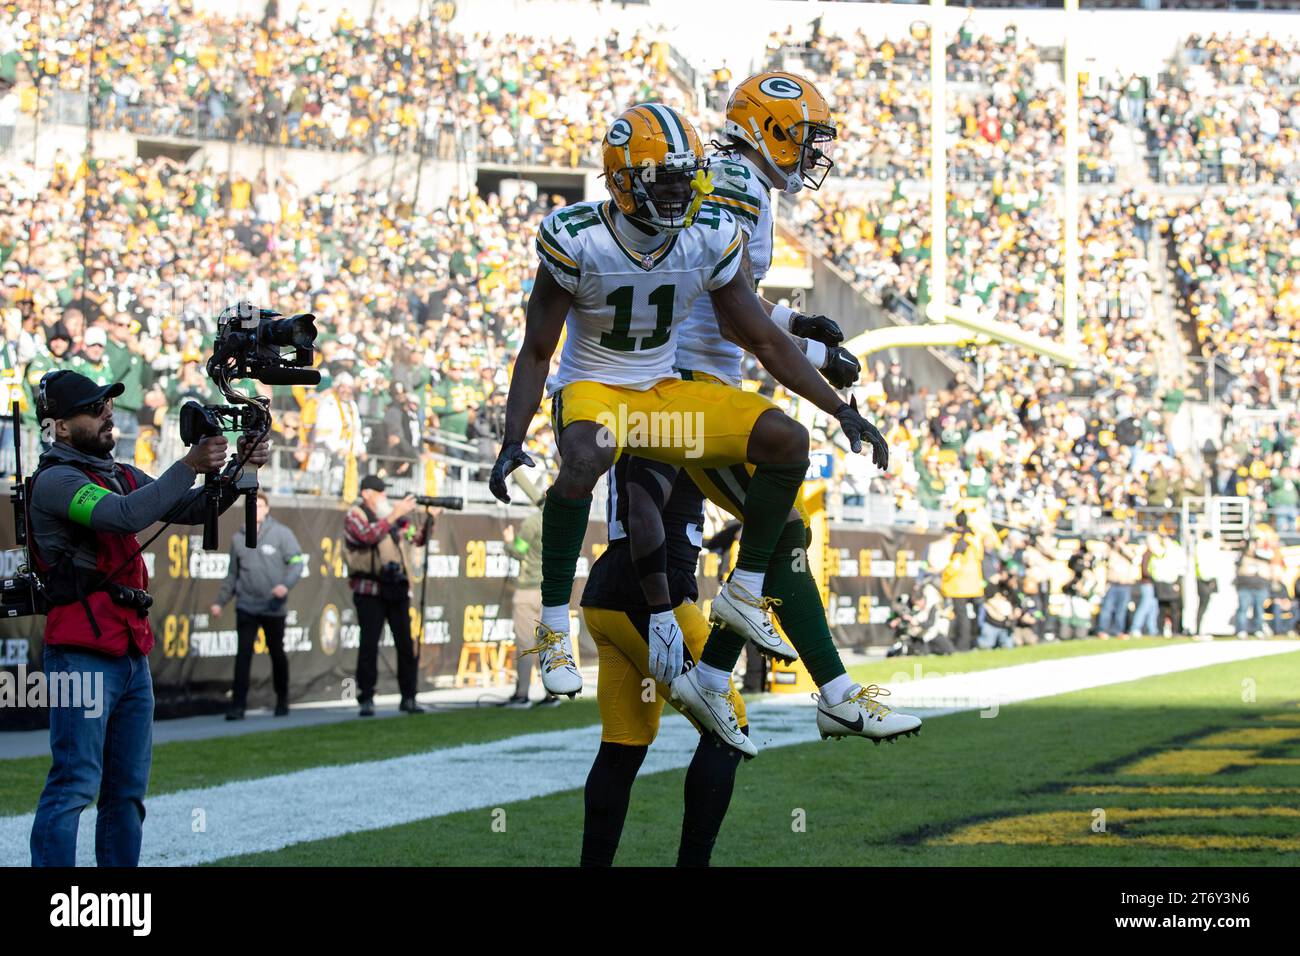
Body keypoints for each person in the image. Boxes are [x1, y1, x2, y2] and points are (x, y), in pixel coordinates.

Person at [489, 103, 888, 726]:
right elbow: (538, 349)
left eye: (685, 176)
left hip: (663, 394)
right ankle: (551, 627)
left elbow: (761, 337)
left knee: (787, 439)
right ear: (623, 180)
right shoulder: (576, 237)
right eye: (664, 179)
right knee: (590, 456)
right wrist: (514, 438)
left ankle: (745, 597)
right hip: (595, 387)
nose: (680, 191)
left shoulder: (705, 234)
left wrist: (839, 408)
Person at [26, 369, 268, 866]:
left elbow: (195, 508)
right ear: (61, 427)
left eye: (108, 404)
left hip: (129, 651)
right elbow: (123, 515)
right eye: (95, 409)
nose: (108, 413)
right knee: (74, 786)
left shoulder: (118, 472)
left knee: (127, 794)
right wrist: (188, 463)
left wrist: (239, 468)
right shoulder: (54, 480)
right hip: (81, 653)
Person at [210, 492, 305, 720]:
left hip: (273, 606)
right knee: (243, 656)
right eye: (254, 506)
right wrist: (220, 602)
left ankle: (282, 700)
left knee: (276, 654)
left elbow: (297, 562)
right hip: (246, 605)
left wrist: (285, 585)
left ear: (267, 509)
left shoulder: (282, 534)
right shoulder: (238, 539)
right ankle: (238, 706)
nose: (257, 510)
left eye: (261, 506)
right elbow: (232, 574)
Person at [344, 474, 432, 716]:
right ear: (366, 494)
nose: (384, 496)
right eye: (380, 492)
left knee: (405, 644)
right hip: (370, 589)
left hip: (397, 587)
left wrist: (430, 520)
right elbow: (366, 536)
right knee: (369, 644)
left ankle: (409, 696)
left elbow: (417, 538)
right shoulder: (355, 515)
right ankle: (366, 697)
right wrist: (394, 514)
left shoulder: (395, 520)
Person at [501, 492, 558, 708]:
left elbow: (520, 551)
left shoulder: (533, 521)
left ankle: (522, 694)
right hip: (549, 591)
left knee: (525, 643)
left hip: (528, 590)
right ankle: (552, 693)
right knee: (547, 643)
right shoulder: (561, 521)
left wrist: (508, 541)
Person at [940, 511, 986, 651]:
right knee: (975, 615)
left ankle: (963, 645)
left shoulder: (960, 541)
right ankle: (975, 641)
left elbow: (956, 563)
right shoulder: (975, 537)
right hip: (975, 584)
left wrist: (945, 575)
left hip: (959, 586)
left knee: (962, 618)